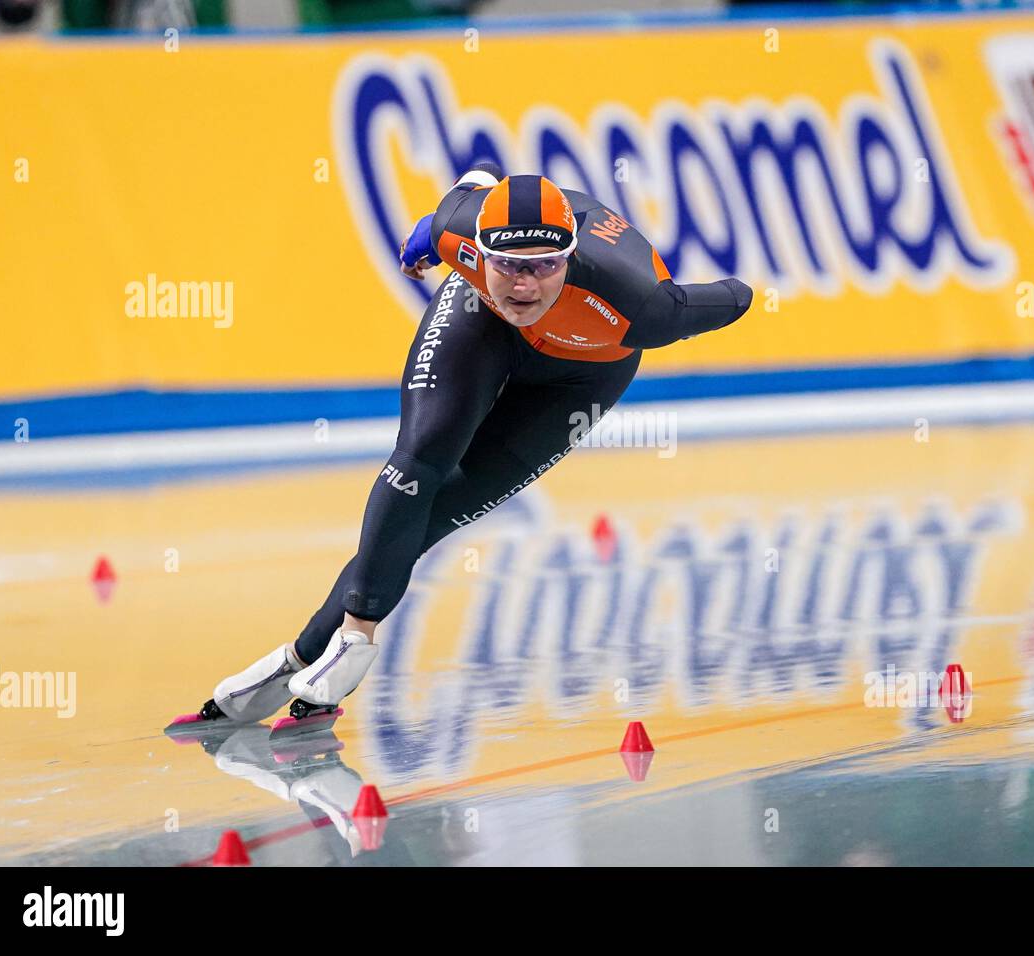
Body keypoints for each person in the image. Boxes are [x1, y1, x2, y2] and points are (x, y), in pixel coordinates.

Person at [193, 163, 753, 727]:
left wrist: (738, 292)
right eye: (507, 264)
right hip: (478, 325)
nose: (523, 285)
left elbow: (737, 295)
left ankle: (298, 655)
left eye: (544, 266)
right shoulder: (453, 231)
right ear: (479, 250)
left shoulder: (646, 308)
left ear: (572, 256)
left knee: (436, 514)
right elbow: (470, 187)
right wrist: (422, 244)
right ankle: (350, 642)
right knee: (418, 461)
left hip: (579, 379)